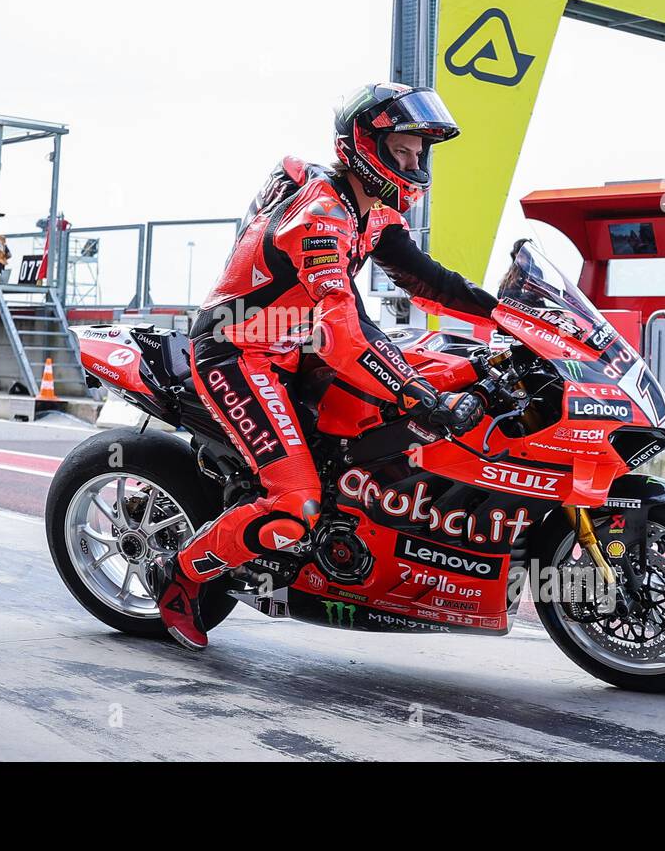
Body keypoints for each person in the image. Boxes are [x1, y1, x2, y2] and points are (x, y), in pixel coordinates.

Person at [147, 82, 497, 650]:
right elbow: (341, 337)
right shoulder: (322, 216)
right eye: (400, 152)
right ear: (364, 145)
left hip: (298, 344)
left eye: (417, 154)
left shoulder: (372, 212)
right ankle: (179, 577)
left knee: (441, 371)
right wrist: (413, 394)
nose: (412, 164)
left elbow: (427, 279)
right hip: (241, 351)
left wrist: (511, 315)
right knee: (296, 503)